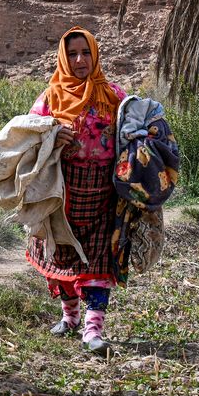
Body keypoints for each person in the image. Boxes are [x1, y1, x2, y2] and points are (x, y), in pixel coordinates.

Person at [26, 26, 125, 355]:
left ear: (95, 55)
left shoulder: (114, 97)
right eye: (72, 53)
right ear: (63, 58)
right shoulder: (50, 98)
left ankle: (93, 328)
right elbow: (28, 135)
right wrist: (53, 135)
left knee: (99, 260)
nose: (80, 59)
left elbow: (135, 135)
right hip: (61, 193)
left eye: (85, 52)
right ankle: (69, 316)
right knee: (60, 257)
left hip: (102, 195)